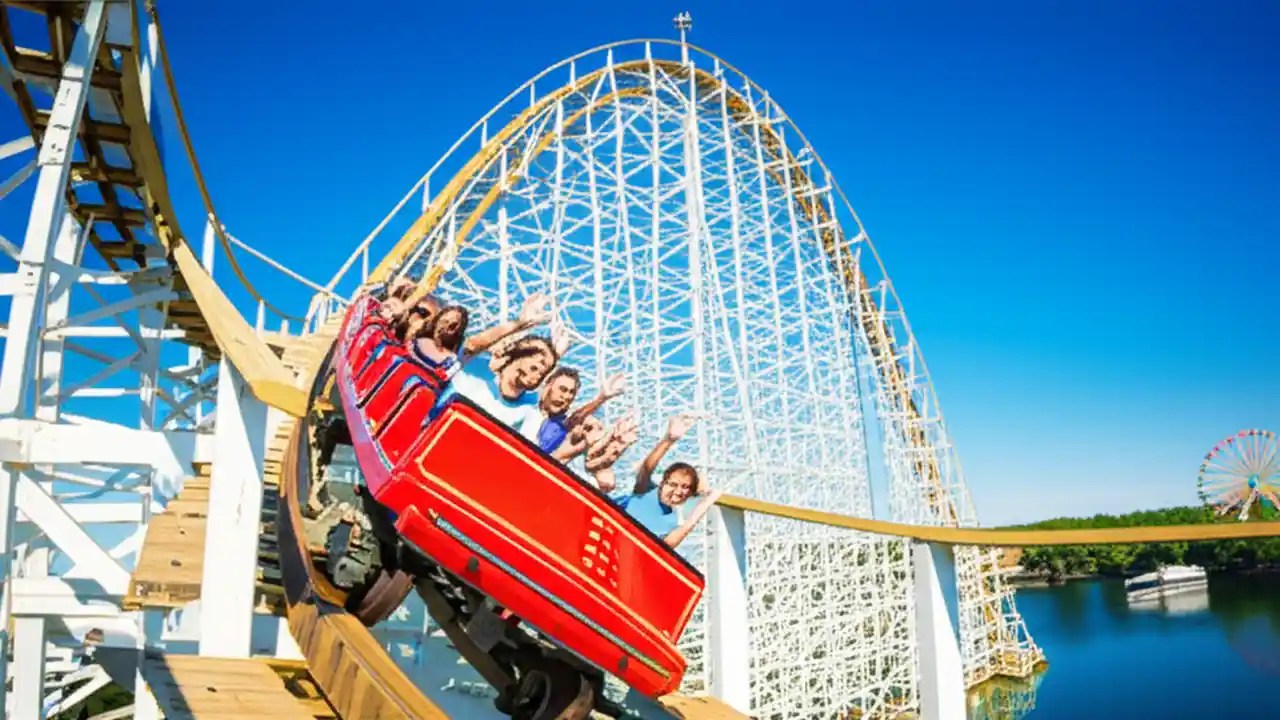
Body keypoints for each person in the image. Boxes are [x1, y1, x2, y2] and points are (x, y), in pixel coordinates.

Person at [614, 412, 722, 549]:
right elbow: (646, 469)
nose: (677, 491)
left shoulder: (673, 520)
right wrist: (669, 439)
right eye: (673, 484)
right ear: (663, 482)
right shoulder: (646, 491)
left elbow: (667, 546)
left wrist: (705, 504)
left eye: (685, 488)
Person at [431, 334, 559, 442]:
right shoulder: (474, 372)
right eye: (535, 366)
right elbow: (469, 346)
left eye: (544, 372)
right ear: (518, 355)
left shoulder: (530, 412)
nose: (538, 374)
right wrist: (520, 323)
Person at [535, 368, 626, 454]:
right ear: (547, 386)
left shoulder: (560, 425)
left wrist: (602, 398)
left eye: (572, 392)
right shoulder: (528, 401)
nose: (566, 397)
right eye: (563, 389)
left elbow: (576, 417)